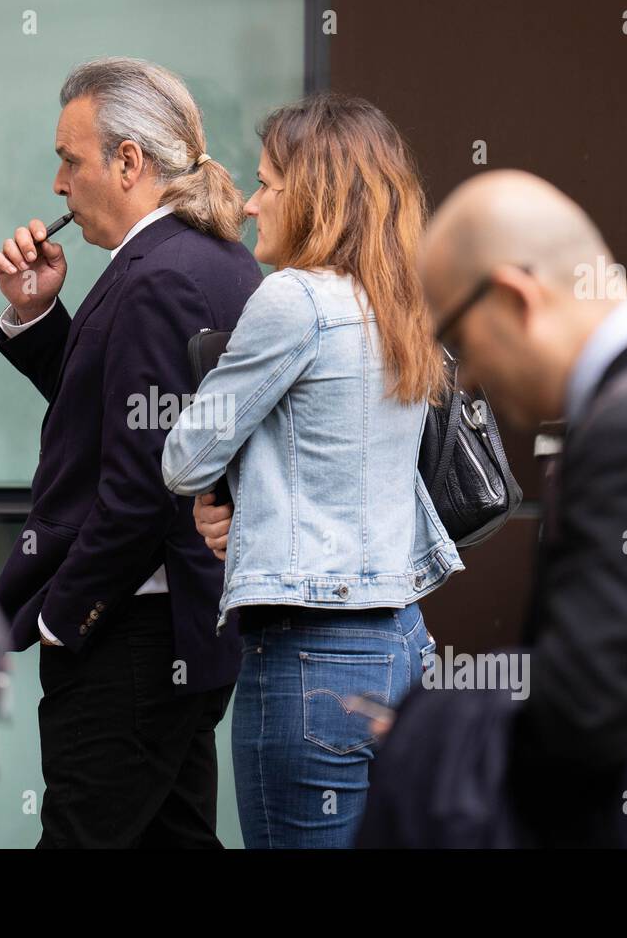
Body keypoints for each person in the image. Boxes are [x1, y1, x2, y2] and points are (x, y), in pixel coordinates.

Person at [366, 168, 627, 846]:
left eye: (462, 342)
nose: (466, 377)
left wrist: (442, 730)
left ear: (514, 297)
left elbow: (584, 719)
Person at [161, 94, 463, 848]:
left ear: (318, 195)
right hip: (403, 642)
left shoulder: (293, 300)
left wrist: (226, 489)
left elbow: (185, 455)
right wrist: (255, 502)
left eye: (268, 184)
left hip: (307, 654)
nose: (254, 204)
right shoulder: (401, 303)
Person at [0, 57, 262, 848]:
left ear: (129, 161)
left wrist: (66, 619)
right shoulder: (209, 258)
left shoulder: (155, 275)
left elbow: (143, 486)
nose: (58, 185)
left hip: (132, 641)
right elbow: (132, 423)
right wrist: (40, 317)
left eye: (70, 160)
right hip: (173, 635)